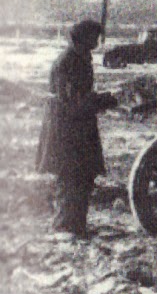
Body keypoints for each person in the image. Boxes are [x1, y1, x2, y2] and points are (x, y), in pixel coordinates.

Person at [36, 20, 118, 237]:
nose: (97, 42)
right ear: (82, 38)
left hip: (76, 127)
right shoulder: (70, 61)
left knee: (82, 177)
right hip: (68, 129)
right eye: (94, 37)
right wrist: (104, 101)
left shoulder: (78, 58)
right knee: (71, 177)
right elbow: (74, 101)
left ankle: (75, 226)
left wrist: (101, 99)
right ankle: (65, 227)